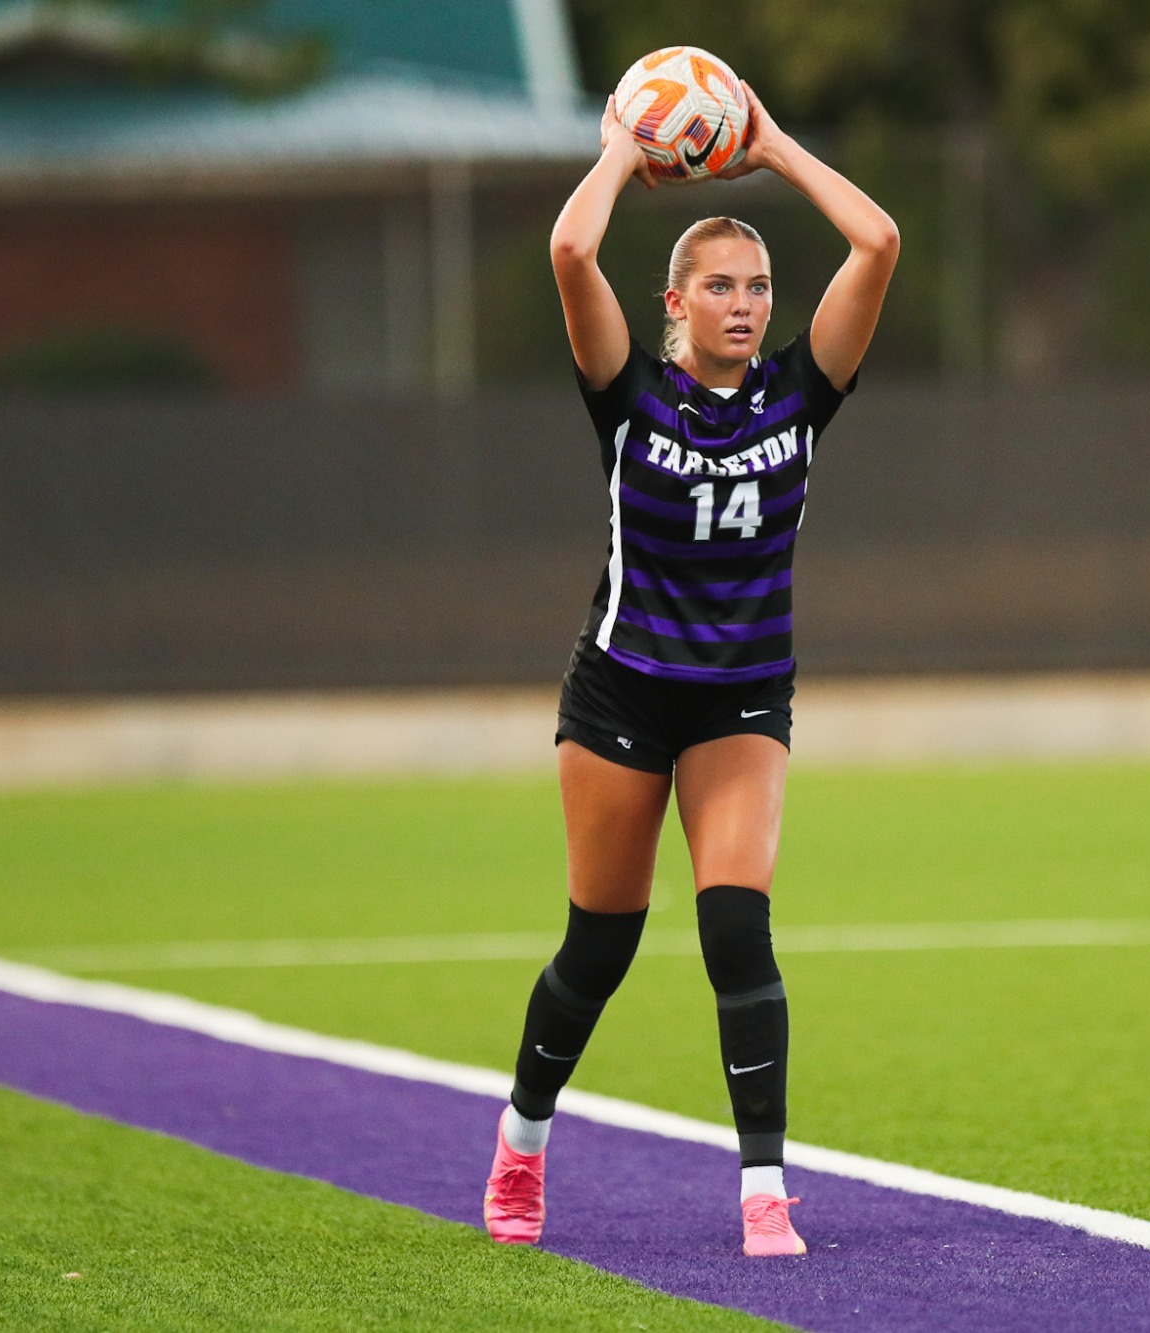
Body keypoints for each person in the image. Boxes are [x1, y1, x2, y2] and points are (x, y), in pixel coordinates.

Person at [482, 84, 899, 1258]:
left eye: (758, 286)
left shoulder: (798, 393)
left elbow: (876, 241)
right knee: (597, 947)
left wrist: (768, 149)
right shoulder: (631, 395)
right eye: (718, 285)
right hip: (621, 690)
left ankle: (763, 1188)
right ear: (675, 303)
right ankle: (522, 1142)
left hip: (741, 695)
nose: (743, 304)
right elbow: (571, 246)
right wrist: (621, 147)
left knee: (736, 930)